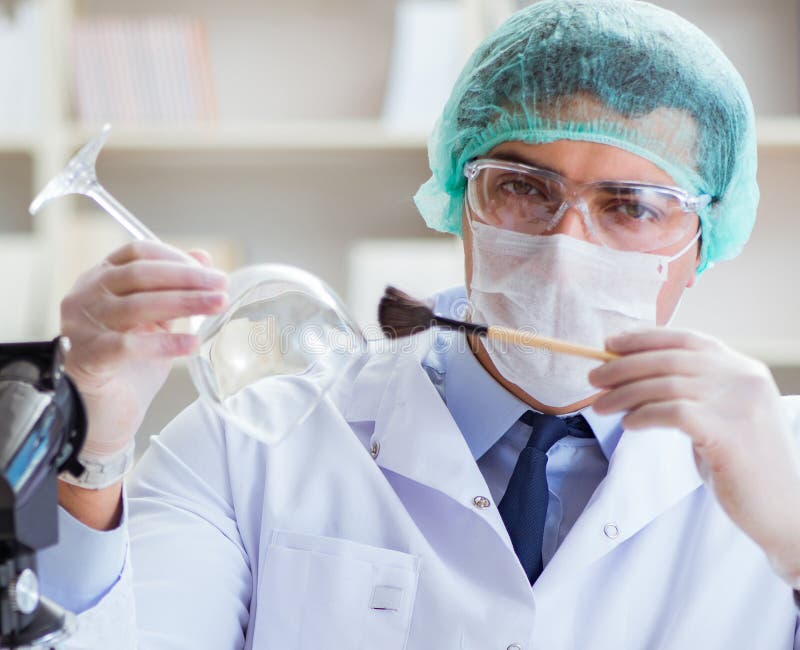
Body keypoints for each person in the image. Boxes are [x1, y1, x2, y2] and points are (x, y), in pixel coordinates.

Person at [40, 1, 800, 648]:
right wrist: (93, 450)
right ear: (458, 201)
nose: (566, 250)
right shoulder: (248, 445)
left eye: (630, 205)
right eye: (521, 188)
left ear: (703, 245)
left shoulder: (785, 465)